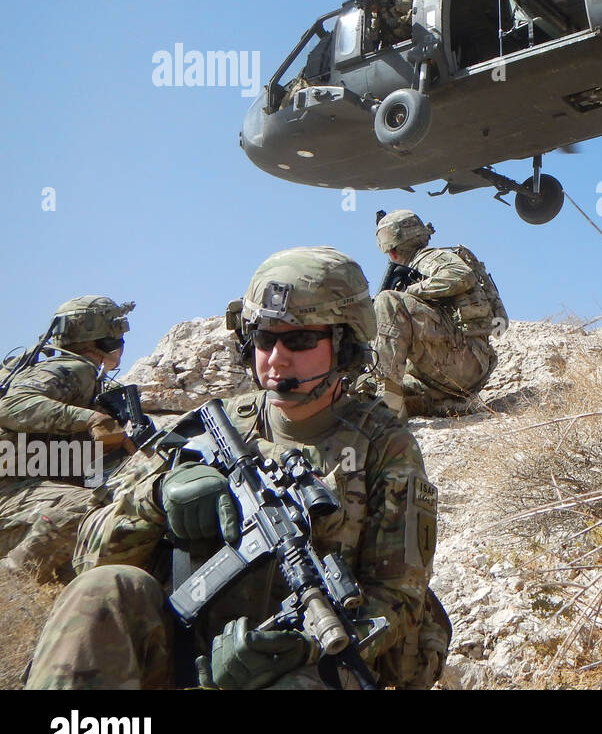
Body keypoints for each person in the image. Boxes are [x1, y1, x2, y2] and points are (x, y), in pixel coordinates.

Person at [26, 247, 448, 689]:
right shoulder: (209, 429)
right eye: (265, 338)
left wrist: (301, 645)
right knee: (104, 591)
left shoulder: (385, 445)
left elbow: (399, 599)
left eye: (299, 340)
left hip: (302, 660)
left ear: (344, 342)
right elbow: (89, 556)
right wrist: (154, 501)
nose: (276, 358)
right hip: (181, 646)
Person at [0, 296, 135, 581]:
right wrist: (90, 419)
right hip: (10, 494)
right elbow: (10, 407)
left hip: (23, 494)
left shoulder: (65, 373)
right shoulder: (75, 369)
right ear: (108, 339)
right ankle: (10, 585)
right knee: (93, 511)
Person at [372, 210, 506, 419]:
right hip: (464, 368)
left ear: (392, 252)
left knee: (386, 301)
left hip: (463, 360)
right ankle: (443, 404)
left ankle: (391, 409)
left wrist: (410, 292)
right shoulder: (424, 265)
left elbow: (462, 275)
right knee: (372, 392)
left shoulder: (429, 258)